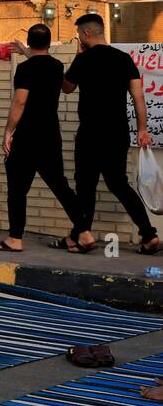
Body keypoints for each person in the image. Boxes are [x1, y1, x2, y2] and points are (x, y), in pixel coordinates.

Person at [60, 14, 160, 255]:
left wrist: (76, 57)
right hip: (118, 133)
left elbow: (66, 88)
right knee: (119, 184)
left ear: (84, 35)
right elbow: (138, 97)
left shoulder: (83, 60)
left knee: (86, 185)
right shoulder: (124, 59)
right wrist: (143, 129)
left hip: (90, 134)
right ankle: (149, 235)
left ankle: (82, 236)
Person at [0, 24, 82, 253]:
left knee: (17, 188)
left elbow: (20, 101)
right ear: (49, 44)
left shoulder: (25, 69)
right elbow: (44, 65)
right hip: (51, 134)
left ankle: (14, 238)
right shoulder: (56, 66)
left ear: (30, 43)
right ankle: (83, 230)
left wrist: (8, 131)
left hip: (28, 136)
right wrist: (25, 50)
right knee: (60, 186)